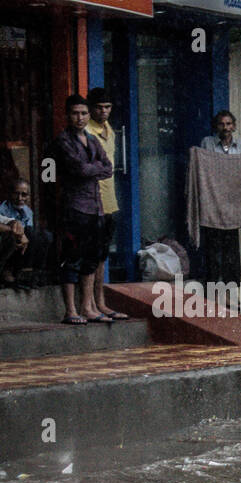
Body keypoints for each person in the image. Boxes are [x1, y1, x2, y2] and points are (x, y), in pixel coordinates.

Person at [51, 94, 114, 325]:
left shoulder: (92, 140)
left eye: (84, 113)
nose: (80, 118)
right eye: (76, 113)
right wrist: (92, 168)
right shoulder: (63, 141)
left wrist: (91, 168)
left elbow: (108, 168)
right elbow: (78, 168)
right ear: (67, 115)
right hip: (75, 207)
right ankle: (71, 309)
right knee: (72, 257)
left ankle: (88, 307)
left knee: (92, 258)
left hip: (95, 206)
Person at [85, 88, 127, 319]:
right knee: (91, 254)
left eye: (107, 107)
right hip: (91, 201)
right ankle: (90, 303)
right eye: (99, 107)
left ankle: (100, 302)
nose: (104, 111)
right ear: (91, 109)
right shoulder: (87, 131)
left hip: (110, 199)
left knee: (102, 253)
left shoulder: (109, 129)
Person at [199, 110, 241, 287]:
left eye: (228, 124)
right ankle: (213, 286)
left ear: (234, 126)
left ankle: (230, 288)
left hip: (232, 205)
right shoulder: (207, 143)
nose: (225, 128)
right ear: (216, 126)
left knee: (231, 247)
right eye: (221, 124)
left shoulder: (240, 146)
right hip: (213, 203)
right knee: (213, 246)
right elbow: (203, 169)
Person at [0, 179, 53, 288]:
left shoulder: (27, 211)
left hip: (23, 247)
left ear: (28, 197)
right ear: (10, 194)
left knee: (45, 236)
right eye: (16, 194)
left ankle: (35, 273)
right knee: (27, 233)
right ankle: (10, 272)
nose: (20, 198)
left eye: (24, 195)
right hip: (8, 248)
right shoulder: (2, 209)